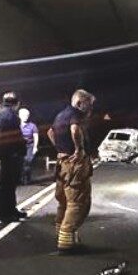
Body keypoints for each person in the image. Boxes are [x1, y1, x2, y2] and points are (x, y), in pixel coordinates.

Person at [47, 89, 95, 254]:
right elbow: (75, 130)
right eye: (89, 104)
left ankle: (62, 236)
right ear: (80, 102)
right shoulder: (76, 115)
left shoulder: (60, 115)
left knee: (64, 202)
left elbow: (50, 132)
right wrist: (79, 149)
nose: (91, 108)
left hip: (62, 163)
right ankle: (66, 243)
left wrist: (60, 149)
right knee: (78, 203)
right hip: (75, 166)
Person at [0, 92, 27, 222]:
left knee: (8, 184)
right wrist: (17, 149)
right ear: (16, 104)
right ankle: (5, 214)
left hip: (5, 153)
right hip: (10, 154)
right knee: (7, 184)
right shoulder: (10, 116)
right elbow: (10, 136)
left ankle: (10, 210)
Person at [19, 108, 39, 185]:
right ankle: (21, 177)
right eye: (24, 115)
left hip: (29, 146)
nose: (26, 117)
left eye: (27, 115)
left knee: (28, 162)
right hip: (20, 146)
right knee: (21, 162)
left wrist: (35, 147)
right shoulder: (17, 125)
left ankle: (27, 178)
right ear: (20, 116)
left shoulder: (32, 126)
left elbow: (36, 136)